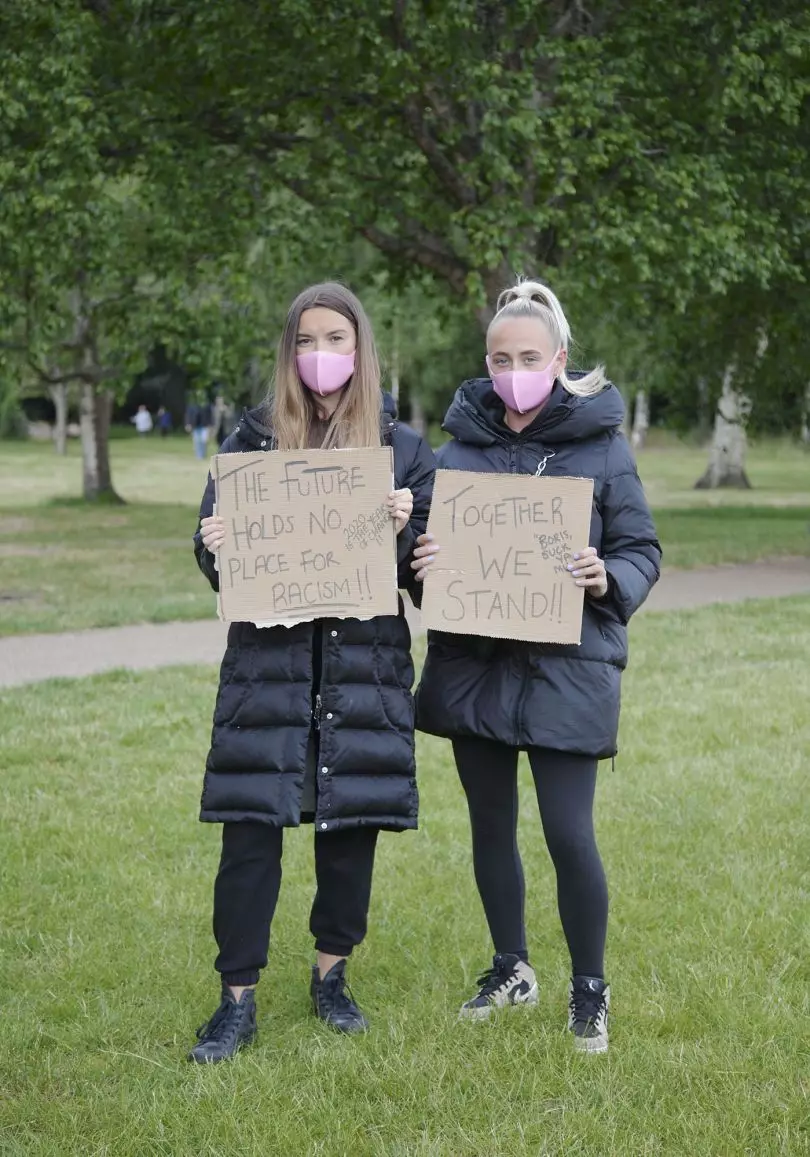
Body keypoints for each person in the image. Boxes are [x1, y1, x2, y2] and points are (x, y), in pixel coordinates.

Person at [188, 283, 435, 1063]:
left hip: (363, 674)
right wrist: (215, 542)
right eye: (305, 340)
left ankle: (332, 976)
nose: (318, 355)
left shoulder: (404, 446)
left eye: (334, 339)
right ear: (288, 350)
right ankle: (236, 999)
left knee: (349, 828)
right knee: (250, 832)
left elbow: (427, 579)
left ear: (360, 347)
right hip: (268, 674)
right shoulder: (254, 438)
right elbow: (215, 560)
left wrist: (407, 530)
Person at [412, 279, 661, 1054]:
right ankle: (510, 966)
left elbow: (641, 549)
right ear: (485, 363)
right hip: (475, 668)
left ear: (558, 359)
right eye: (498, 357)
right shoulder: (456, 451)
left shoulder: (604, 447)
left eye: (527, 356)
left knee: (567, 832)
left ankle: (590, 988)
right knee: (491, 826)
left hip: (568, 668)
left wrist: (606, 579)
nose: (512, 369)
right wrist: (418, 560)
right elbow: (426, 564)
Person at [185, 394, 213, 459]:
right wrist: (188, 424)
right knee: (197, 441)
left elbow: (210, 417)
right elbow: (188, 415)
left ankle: (202, 455)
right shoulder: (192, 406)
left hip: (204, 426)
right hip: (196, 426)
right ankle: (198, 456)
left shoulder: (207, 406)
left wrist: (211, 426)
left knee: (204, 441)